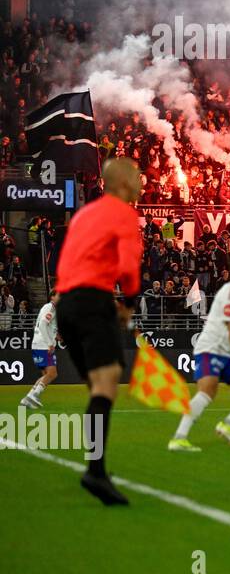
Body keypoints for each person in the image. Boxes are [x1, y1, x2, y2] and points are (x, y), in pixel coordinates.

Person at [53, 157, 144, 505]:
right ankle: (95, 471)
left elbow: (66, 260)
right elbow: (128, 264)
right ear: (121, 183)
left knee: (97, 386)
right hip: (93, 301)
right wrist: (130, 304)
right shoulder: (123, 213)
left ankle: (96, 466)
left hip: (66, 305)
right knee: (107, 382)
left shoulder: (84, 214)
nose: (140, 183)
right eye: (135, 177)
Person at [167, 253, 230, 451]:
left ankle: (229, 424)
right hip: (211, 349)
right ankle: (179, 438)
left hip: (229, 354)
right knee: (207, 392)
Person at [20, 292, 58, 409]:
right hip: (43, 345)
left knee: (46, 375)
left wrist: (55, 336)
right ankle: (34, 395)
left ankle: (27, 399)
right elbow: (42, 324)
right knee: (52, 373)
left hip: (38, 344)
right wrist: (50, 343)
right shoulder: (50, 307)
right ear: (52, 296)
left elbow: (47, 326)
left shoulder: (51, 309)